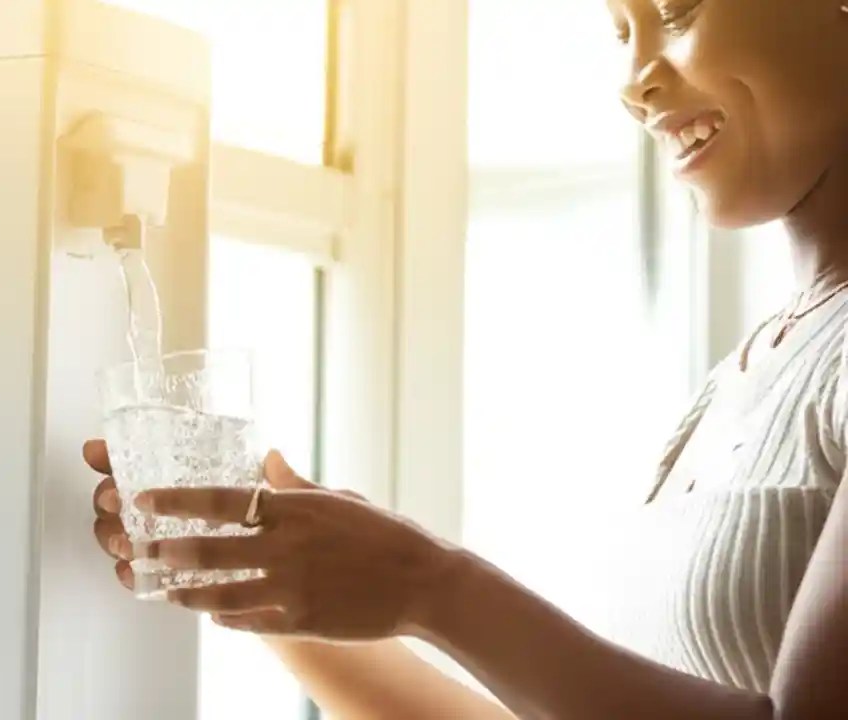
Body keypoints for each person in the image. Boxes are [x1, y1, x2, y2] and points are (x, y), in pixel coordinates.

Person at [88, 0, 848, 717]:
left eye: (678, 11)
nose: (634, 81)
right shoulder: (757, 366)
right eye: (621, 32)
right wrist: (264, 575)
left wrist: (430, 583)